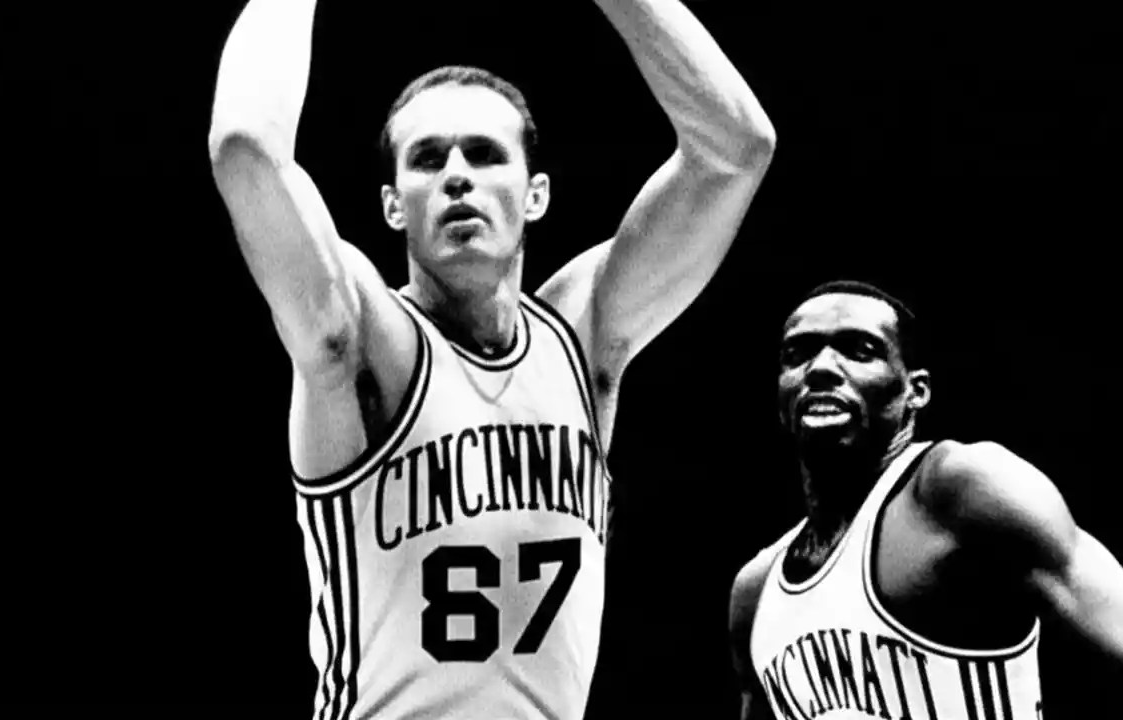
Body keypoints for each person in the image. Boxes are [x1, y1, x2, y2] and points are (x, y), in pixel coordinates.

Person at [207, 0, 774, 717]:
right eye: (427, 159)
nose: (456, 176)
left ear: (535, 195)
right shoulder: (364, 344)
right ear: (392, 205)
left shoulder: (582, 336)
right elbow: (246, 149)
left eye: (483, 153)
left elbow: (735, 149)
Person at [728, 280, 1123, 720]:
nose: (820, 368)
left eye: (859, 351)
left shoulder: (964, 489)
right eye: (797, 354)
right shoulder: (755, 591)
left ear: (916, 391)